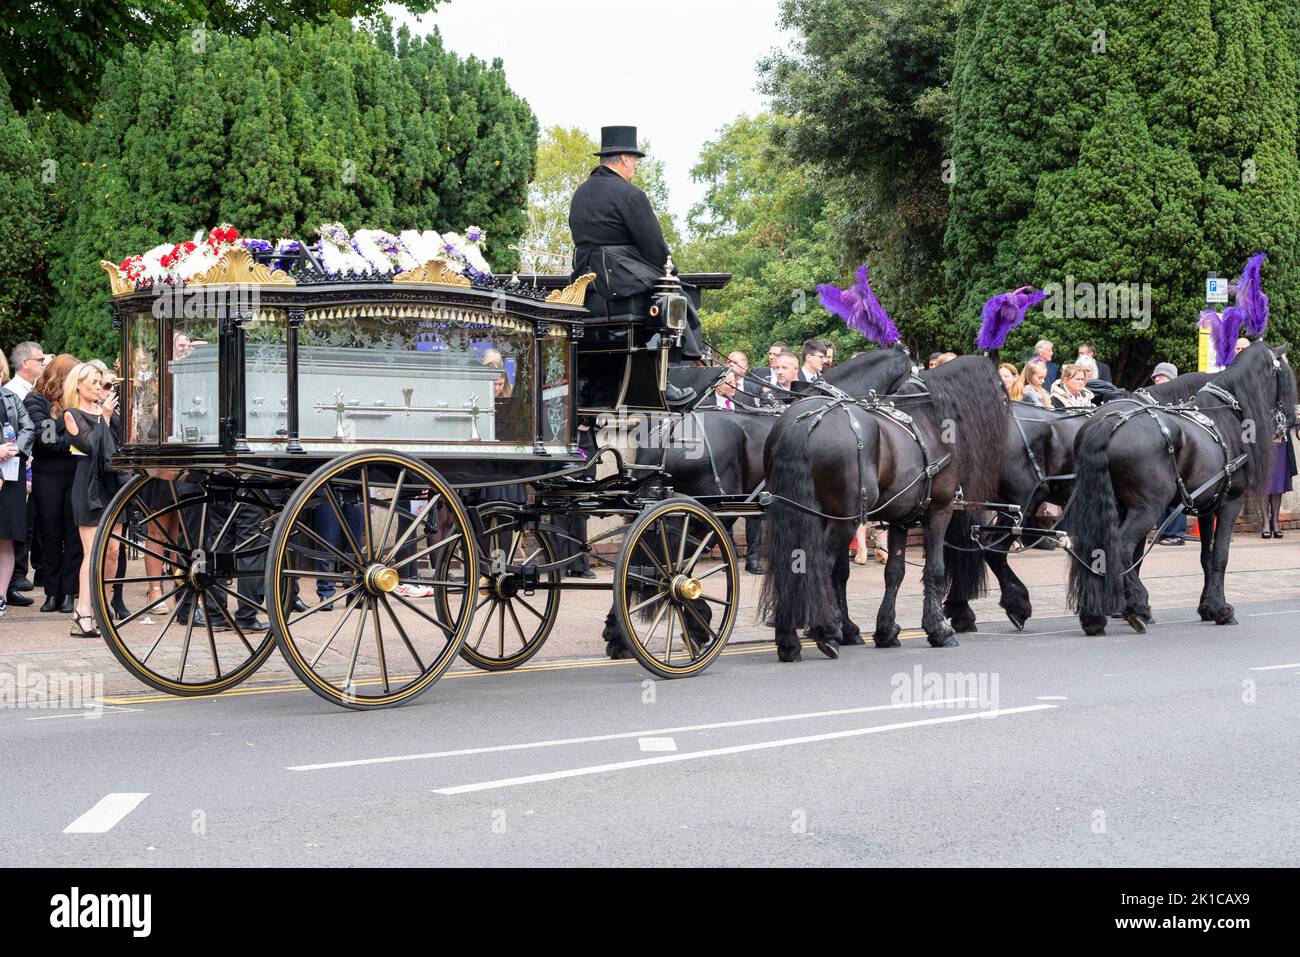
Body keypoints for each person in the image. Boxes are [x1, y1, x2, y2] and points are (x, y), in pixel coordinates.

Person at [568, 125, 700, 407]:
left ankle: (598, 379)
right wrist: (671, 272)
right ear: (625, 159)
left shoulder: (580, 194)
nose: (636, 168)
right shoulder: (630, 194)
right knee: (677, 296)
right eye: (635, 161)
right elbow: (653, 246)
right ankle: (666, 376)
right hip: (617, 277)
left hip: (584, 278)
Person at [64, 362, 125, 637]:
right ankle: (83, 610)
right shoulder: (72, 415)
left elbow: (118, 445)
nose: (99, 387)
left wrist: (110, 414)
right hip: (88, 485)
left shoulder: (108, 412)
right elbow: (93, 447)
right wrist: (105, 416)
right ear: (78, 384)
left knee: (113, 550)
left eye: (102, 382)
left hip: (112, 484)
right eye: (94, 382)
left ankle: (103, 605)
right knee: (93, 551)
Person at [23, 354, 82, 614]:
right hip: (47, 474)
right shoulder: (35, 400)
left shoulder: (79, 401)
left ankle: (68, 592)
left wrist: (68, 432)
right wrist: (71, 427)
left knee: (73, 535)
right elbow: (46, 440)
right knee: (49, 534)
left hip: (76, 473)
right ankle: (51, 592)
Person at [4, 342, 43, 598]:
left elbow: (29, 428)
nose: (43, 363)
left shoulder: (21, 395)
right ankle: (14, 580)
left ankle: (9, 586)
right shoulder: (12, 392)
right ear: (25, 363)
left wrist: (19, 451)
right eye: (39, 359)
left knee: (14, 528)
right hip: (7, 466)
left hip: (16, 465)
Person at [0, 361, 36, 618]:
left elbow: (29, 428)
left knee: (7, 536)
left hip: (11, 473)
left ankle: (1, 596)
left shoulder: (10, 397)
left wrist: (14, 449)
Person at [1260, 424, 1296, 539]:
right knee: (1264, 482)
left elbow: (1291, 417)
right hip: (1261, 441)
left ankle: (1275, 520)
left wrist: (1278, 432)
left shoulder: (1285, 404)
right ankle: (1265, 521)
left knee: (1277, 482)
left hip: (1281, 442)